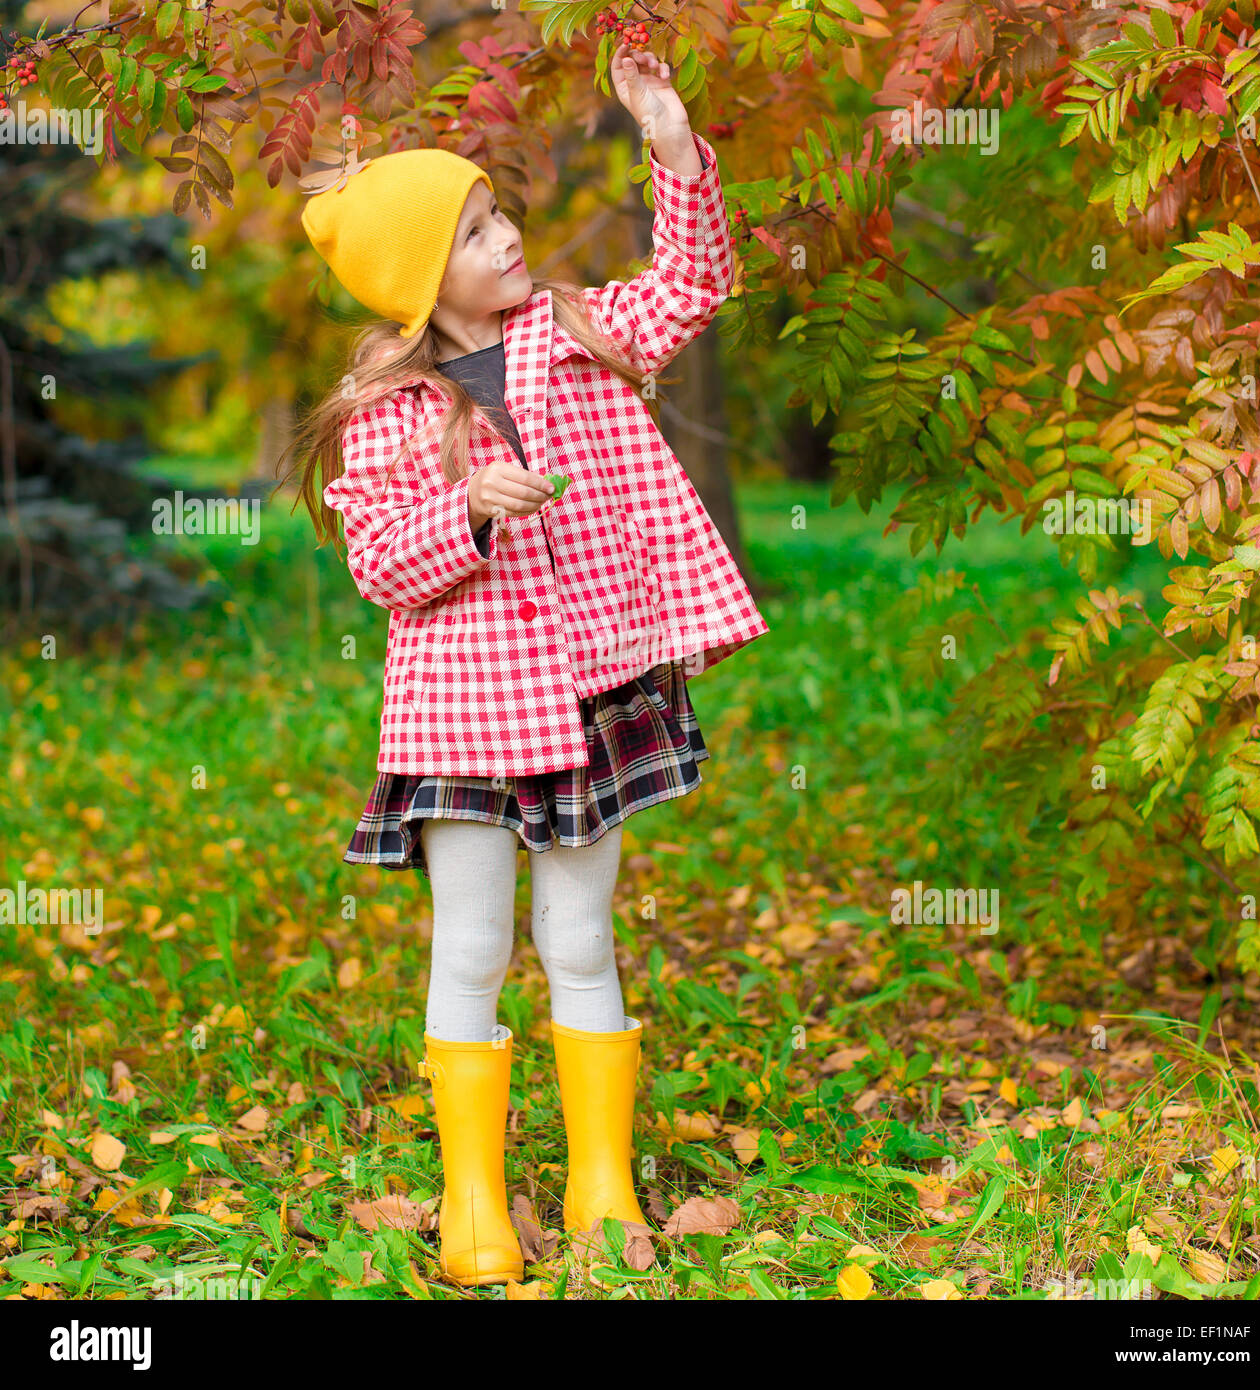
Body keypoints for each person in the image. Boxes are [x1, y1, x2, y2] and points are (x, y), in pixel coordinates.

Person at [289, 43, 768, 1287]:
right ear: (418, 279)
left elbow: (692, 281)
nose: (507, 238)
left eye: (498, 215)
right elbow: (382, 565)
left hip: (592, 689)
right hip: (464, 717)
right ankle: (474, 1205)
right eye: (475, 233)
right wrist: (468, 509)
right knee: (469, 947)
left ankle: (604, 1190)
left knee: (580, 937)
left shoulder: (576, 332)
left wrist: (669, 138)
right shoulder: (385, 406)